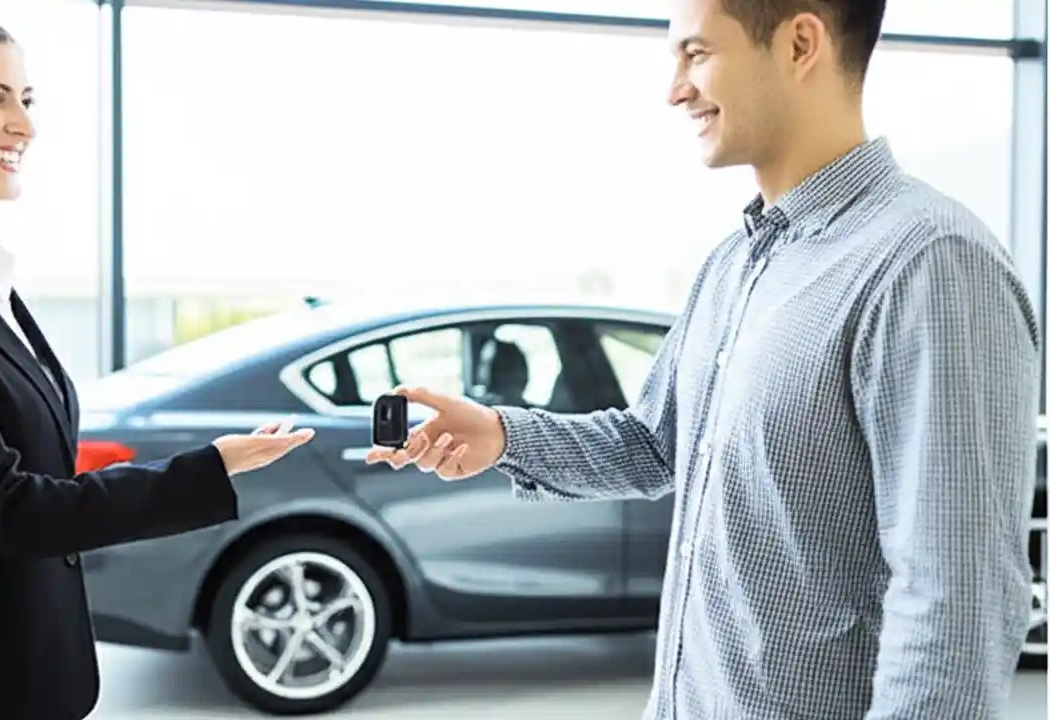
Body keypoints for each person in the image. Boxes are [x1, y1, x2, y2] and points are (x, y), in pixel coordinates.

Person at [369, 0, 1041, 717]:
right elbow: (655, 445)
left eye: (697, 54)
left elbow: (954, 609)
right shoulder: (736, 264)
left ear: (800, 43)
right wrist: (502, 436)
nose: (675, 89)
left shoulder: (930, 264)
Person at [0, 3, 314, 718]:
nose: (24, 125)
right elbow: (10, 509)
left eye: (26, 99)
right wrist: (209, 469)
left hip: (16, 680)